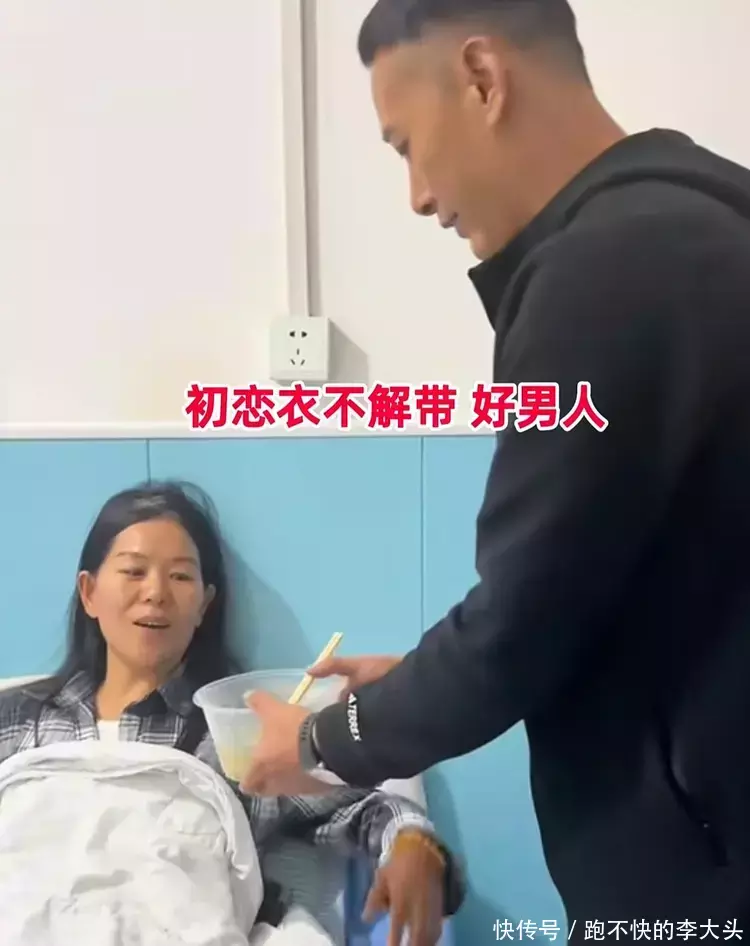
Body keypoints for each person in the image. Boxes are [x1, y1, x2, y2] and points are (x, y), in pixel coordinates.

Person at [239, 0, 750, 937]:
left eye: (406, 146)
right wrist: (413, 683)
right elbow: (622, 588)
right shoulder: (706, 219)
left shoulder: (606, 271)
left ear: (482, 78)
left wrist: (315, 740)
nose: (418, 197)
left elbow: (521, 624)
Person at [0, 481, 464, 945]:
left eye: (180, 577)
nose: (156, 592)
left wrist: (411, 845)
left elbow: (366, 806)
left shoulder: (235, 736)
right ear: (89, 593)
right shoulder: (17, 721)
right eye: (134, 571)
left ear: (204, 604)